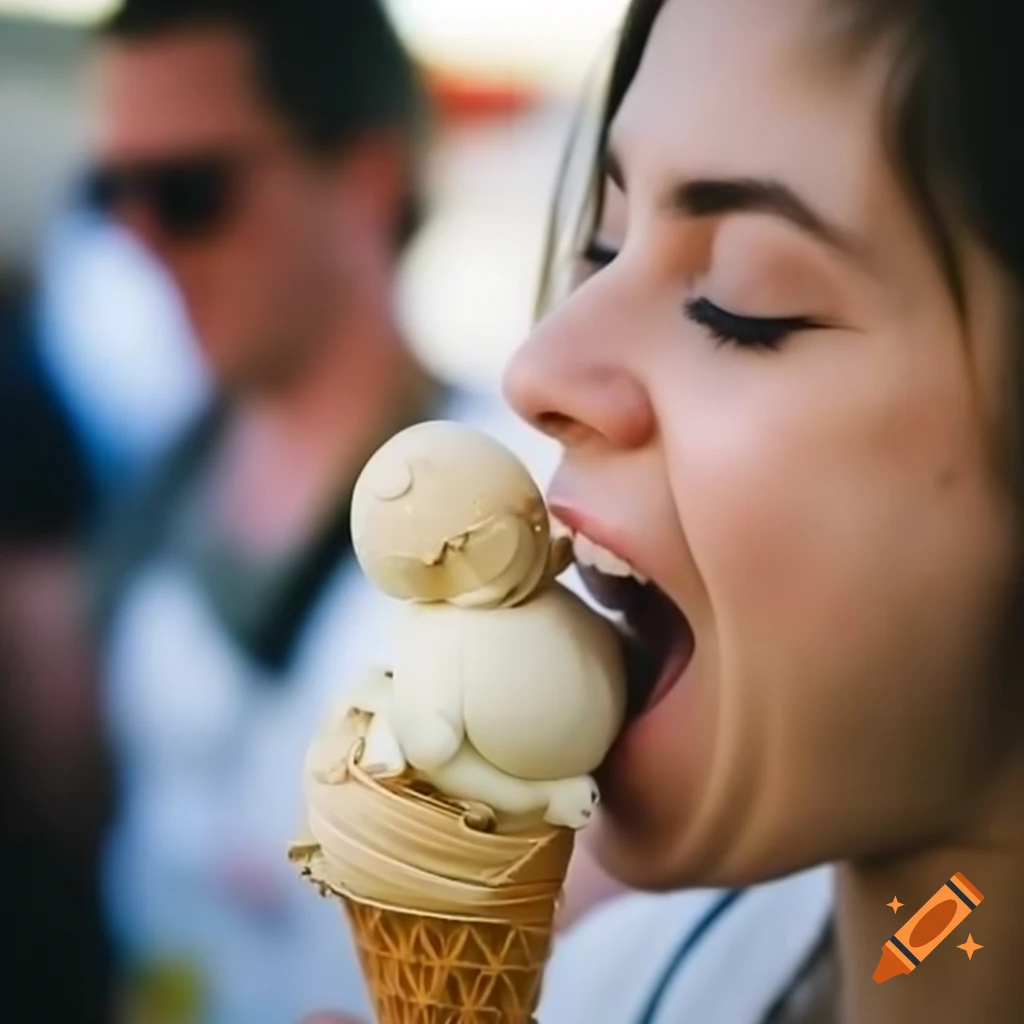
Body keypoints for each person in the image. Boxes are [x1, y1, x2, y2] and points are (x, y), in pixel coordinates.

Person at [318, 0, 1024, 1021]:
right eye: (601, 247)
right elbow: (933, 940)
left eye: (742, 302)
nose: (538, 367)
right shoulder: (615, 986)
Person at [85, 2, 557, 1023]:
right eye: (109, 192)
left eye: (186, 190)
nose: (139, 238)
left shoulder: (527, 514)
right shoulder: (151, 497)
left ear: (367, 177)